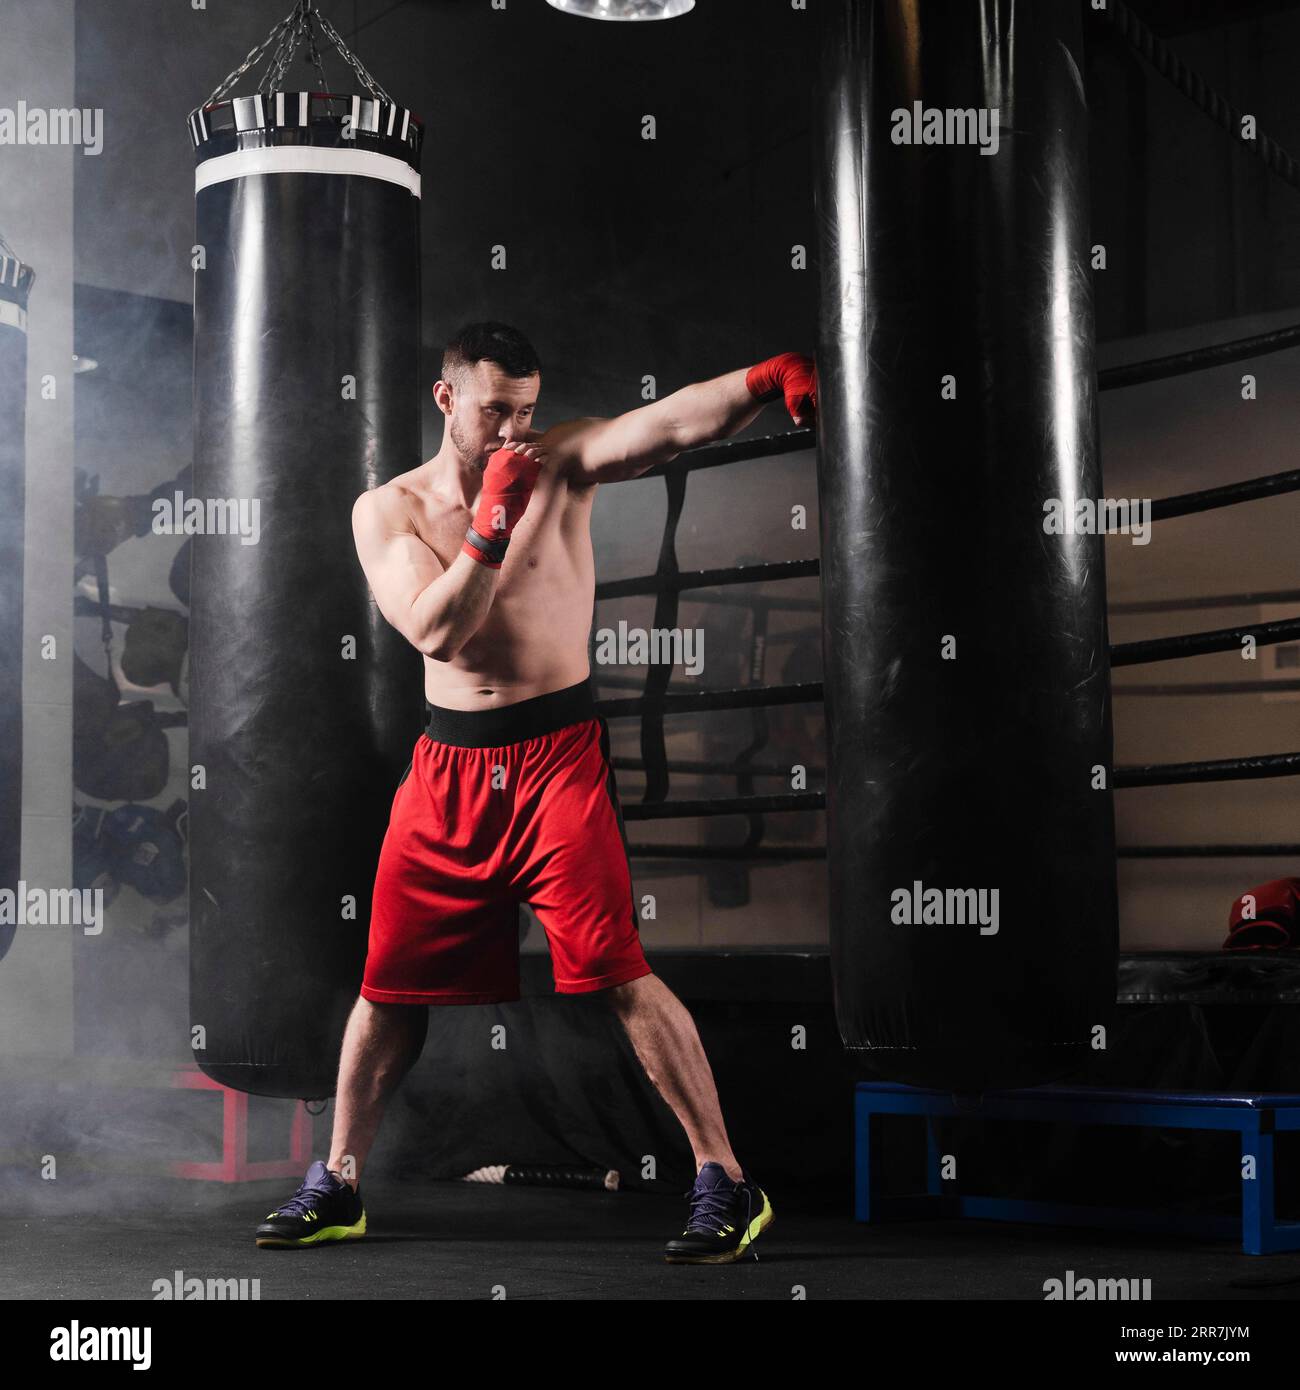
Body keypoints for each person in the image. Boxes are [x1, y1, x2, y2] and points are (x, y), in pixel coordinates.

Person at [255, 322, 816, 1264]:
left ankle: (726, 1178)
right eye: (494, 411)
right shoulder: (384, 512)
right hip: (446, 774)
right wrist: (488, 528)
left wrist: (763, 379)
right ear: (446, 401)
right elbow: (439, 635)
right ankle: (340, 1182)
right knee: (387, 988)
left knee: (616, 971)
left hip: (557, 758)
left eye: (526, 409)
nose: (514, 429)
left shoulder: (556, 464)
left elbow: (667, 426)